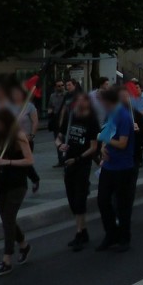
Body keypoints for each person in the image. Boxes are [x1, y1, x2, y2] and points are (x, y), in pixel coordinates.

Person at [0, 109, 33, 276]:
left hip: (17, 183)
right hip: (2, 182)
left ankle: (7, 259)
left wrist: (7, 162)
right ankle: (24, 245)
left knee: (8, 219)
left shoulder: (18, 136)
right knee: (8, 219)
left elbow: (29, 160)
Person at [56, 93, 100, 250]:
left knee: (80, 198)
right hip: (69, 164)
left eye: (83, 101)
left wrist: (78, 158)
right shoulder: (71, 117)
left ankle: (80, 232)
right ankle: (83, 231)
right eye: (78, 101)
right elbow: (59, 137)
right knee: (72, 199)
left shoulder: (92, 120)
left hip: (82, 163)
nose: (80, 104)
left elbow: (94, 147)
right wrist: (60, 145)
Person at [96, 86, 137, 252]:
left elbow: (122, 143)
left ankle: (124, 237)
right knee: (103, 200)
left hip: (123, 166)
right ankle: (111, 233)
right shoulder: (111, 114)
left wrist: (105, 139)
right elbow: (107, 133)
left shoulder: (124, 116)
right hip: (109, 165)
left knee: (122, 204)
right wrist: (102, 147)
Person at [7, 83, 41, 192]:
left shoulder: (29, 106)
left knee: (24, 162)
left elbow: (35, 122)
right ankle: (19, 183)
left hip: (26, 139)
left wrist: (32, 135)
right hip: (13, 140)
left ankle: (33, 179)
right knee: (14, 162)